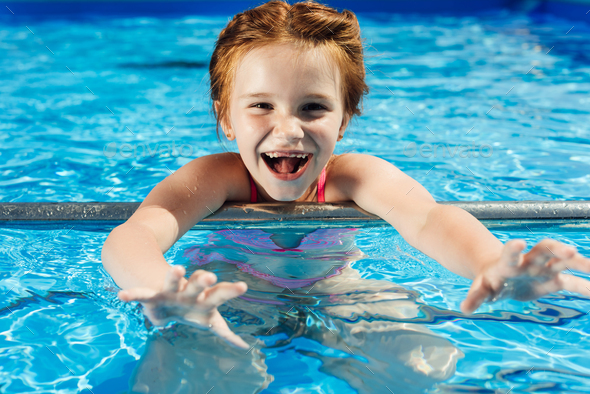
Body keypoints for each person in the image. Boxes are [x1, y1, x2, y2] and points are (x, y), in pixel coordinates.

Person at [101, 0, 590, 391]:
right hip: (231, 293)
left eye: (313, 107)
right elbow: (136, 234)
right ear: (227, 117)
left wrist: (488, 262)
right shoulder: (214, 177)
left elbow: (428, 219)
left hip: (334, 290)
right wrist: (162, 286)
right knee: (193, 364)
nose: (287, 129)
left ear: (345, 118)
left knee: (420, 363)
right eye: (261, 106)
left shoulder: (353, 176)